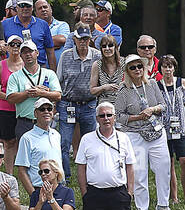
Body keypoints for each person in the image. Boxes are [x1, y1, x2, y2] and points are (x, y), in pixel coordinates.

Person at [116, 53, 172, 210]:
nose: (137, 70)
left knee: (163, 168)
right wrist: (137, 117)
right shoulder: (124, 90)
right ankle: (142, 208)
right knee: (139, 172)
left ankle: (163, 204)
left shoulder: (153, 84)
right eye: (133, 67)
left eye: (140, 66)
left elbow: (163, 105)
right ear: (127, 71)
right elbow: (118, 115)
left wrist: (152, 110)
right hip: (134, 134)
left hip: (156, 132)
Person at [56, 27, 100, 178]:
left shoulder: (97, 56)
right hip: (67, 103)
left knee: (92, 143)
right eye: (80, 39)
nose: (83, 42)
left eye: (86, 39)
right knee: (64, 143)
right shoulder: (66, 56)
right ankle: (65, 178)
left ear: (90, 39)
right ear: (74, 39)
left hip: (89, 104)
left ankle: (91, 176)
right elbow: (58, 80)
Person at [158, 55, 185, 204]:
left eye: (170, 66)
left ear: (174, 68)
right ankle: (174, 197)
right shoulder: (156, 85)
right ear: (160, 68)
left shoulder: (182, 83)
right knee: (169, 163)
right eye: (165, 66)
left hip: (182, 129)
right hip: (164, 130)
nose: (167, 69)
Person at [14, 99, 62, 199]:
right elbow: (22, 171)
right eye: (42, 109)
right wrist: (34, 196)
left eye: (49, 109)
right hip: (39, 189)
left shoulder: (56, 135)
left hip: (58, 188)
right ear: (35, 113)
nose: (46, 112)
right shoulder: (27, 138)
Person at [2, 0, 54, 68]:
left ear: (32, 8)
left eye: (28, 5)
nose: (25, 8)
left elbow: (50, 51)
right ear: (17, 7)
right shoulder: (5, 24)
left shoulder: (43, 24)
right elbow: (1, 48)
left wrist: (53, 73)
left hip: (39, 68)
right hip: (14, 68)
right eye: (22, 5)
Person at [0, 36, 23, 168]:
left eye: (18, 44)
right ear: (7, 47)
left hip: (23, 107)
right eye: (12, 44)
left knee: (23, 140)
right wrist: (10, 97)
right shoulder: (1, 65)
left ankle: (23, 169)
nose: (15, 47)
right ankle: (10, 172)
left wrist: (18, 97)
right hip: (6, 108)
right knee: (8, 141)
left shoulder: (25, 64)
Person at [88, 35, 124, 120]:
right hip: (104, 105)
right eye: (104, 46)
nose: (107, 48)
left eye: (110, 45)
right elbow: (92, 90)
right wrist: (104, 87)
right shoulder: (97, 65)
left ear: (116, 47)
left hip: (122, 104)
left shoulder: (123, 62)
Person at [35, 0, 69, 68]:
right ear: (36, 13)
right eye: (40, 8)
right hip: (40, 70)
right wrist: (52, 44)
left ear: (51, 9)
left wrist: (40, 44)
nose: (43, 9)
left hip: (61, 70)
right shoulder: (33, 28)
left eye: (45, 7)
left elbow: (62, 40)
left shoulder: (62, 25)